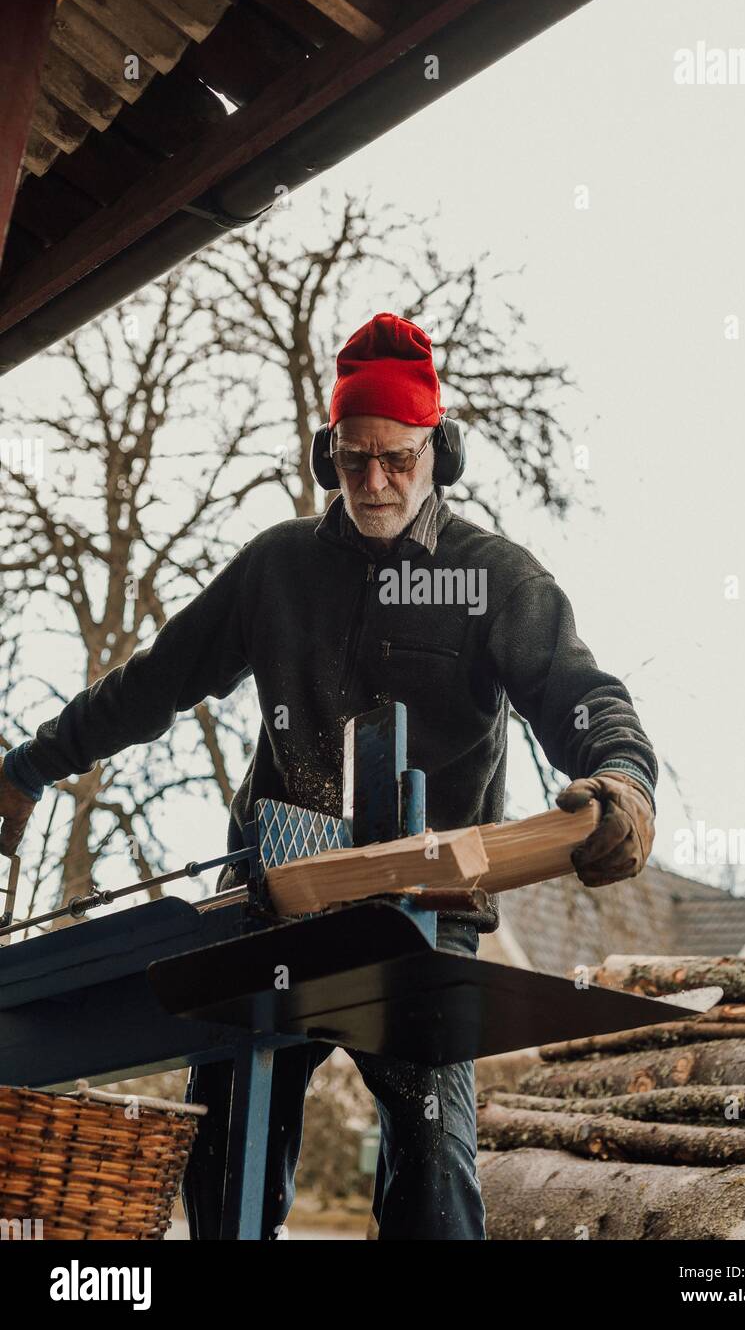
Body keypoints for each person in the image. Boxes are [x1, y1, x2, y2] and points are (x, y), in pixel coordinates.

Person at [0, 311, 656, 1239]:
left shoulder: (494, 581)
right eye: (355, 460)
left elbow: (580, 696)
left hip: (423, 918)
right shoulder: (277, 570)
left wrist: (623, 780)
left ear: (441, 450)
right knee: (227, 1146)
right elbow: (152, 686)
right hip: (274, 903)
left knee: (434, 1172)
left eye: (398, 459)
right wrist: (29, 767)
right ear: (327, 454)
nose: (376, 482)